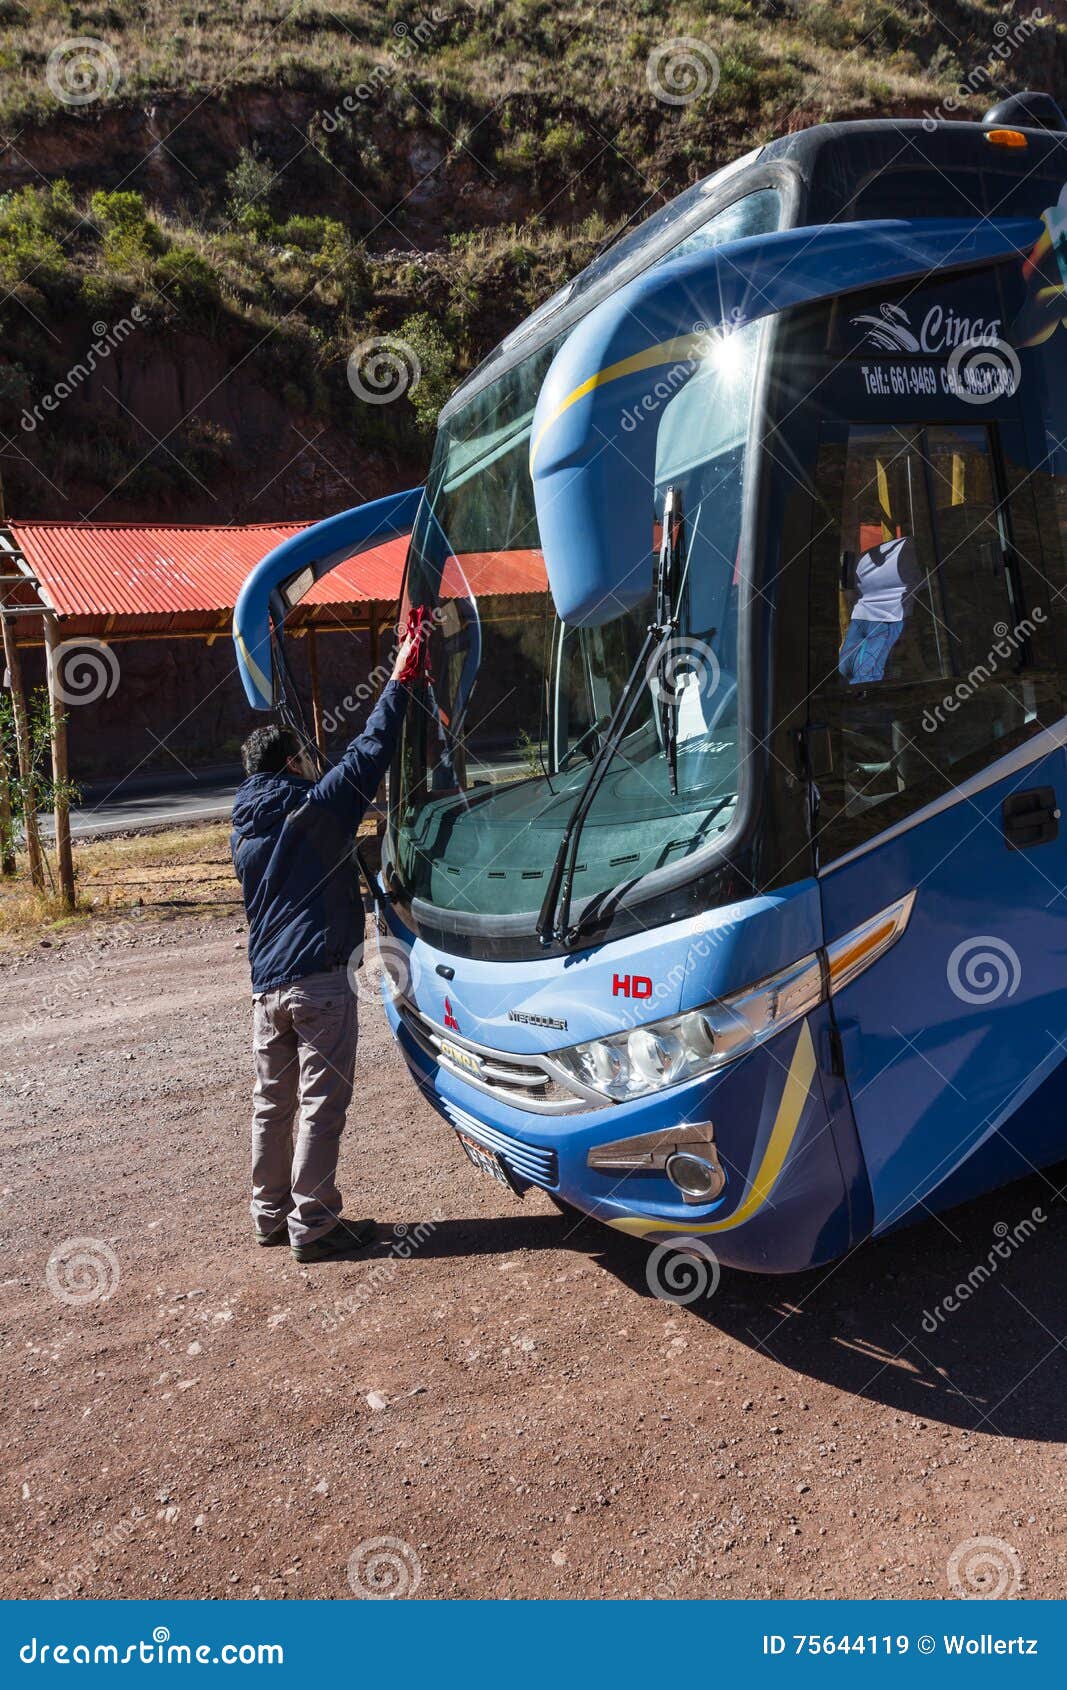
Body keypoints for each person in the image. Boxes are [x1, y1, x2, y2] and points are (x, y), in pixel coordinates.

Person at [231, 625, 422, 1264]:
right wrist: (399, 677)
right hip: (317, 983)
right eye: (305, 758)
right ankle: (313, 1225)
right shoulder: (313, 807)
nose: (314, 764)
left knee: (271, 1104)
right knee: (320, 1103)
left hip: (265, 992)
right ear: (290, 764)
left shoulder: (244, 832)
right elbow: (370, 752)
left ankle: (269, 1215)